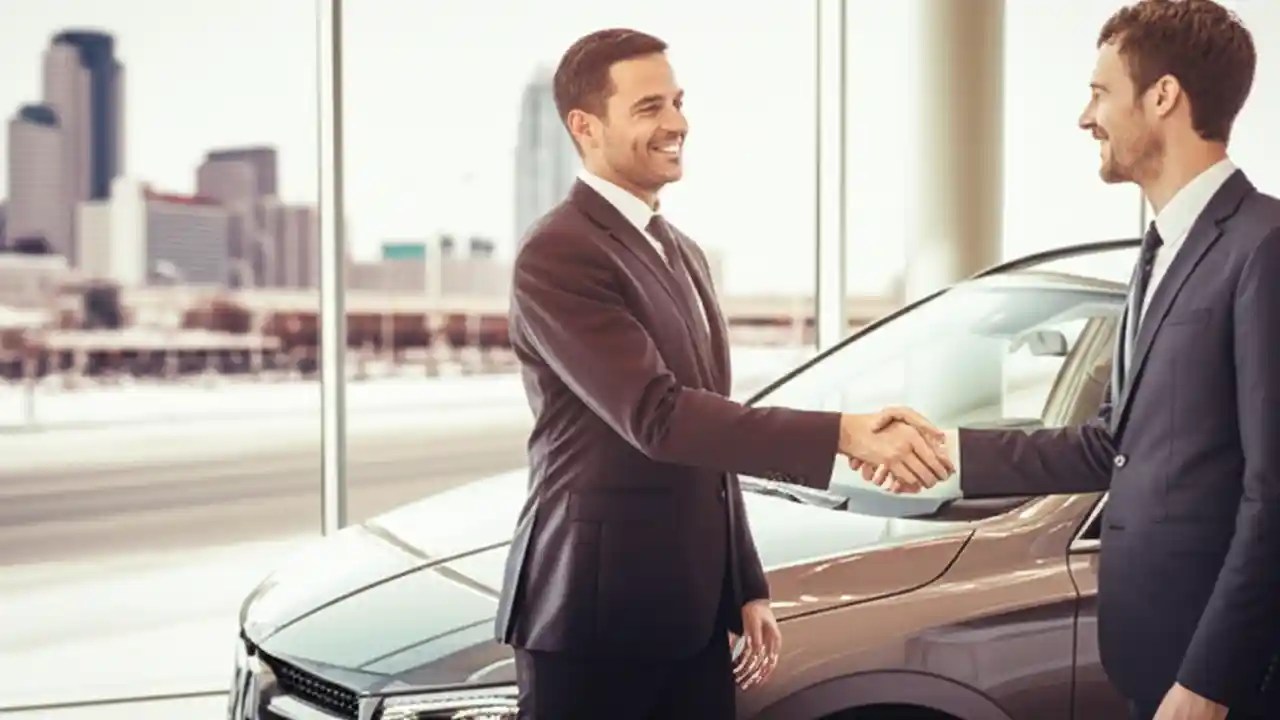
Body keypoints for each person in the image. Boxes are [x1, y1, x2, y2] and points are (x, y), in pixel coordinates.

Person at [494, 27, 953, 720]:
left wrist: (744, 582)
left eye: (677, 101)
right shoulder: (558, 253)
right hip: (594, 618)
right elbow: (660, 416)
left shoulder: (681, 251)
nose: (677, 122)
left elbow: (710, 423)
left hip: (693, 614)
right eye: (649, 107)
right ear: (584, 127)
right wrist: (846, 434)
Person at [856, 2, 1279, 719]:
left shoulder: (1263, 247)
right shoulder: (1158, 254)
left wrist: (1212, 678)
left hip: (1218, 680)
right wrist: (939, 451)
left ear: (1165, 96)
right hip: (1150, 656)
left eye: (1100, 92)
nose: (1088, 117)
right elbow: (1110, 444)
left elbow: (1273, 493)